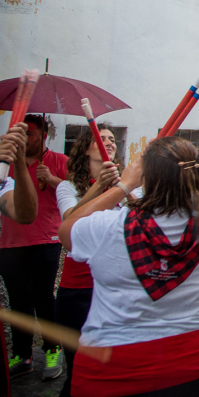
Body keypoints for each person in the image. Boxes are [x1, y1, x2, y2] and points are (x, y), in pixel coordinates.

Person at [59, 137, 199, 396]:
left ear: (146, 177)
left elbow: (66, 230)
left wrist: (124, 184)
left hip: (118, 367)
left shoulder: (109, 226)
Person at [53, 123, 122, 396]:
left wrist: (122, 188)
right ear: (85, 149)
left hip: (113, 285)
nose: (109, 142)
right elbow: (68, 224)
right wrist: (100, 188)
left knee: (111, 366)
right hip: (79, 288)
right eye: (101, 138)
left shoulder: (123, 186)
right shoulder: (67, 187)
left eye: (112, 139)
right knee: (79, 366)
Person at [0, 114, 67, 380]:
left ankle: (53, 349)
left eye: (29, 133)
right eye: (21, 133)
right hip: (10, 242)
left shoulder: (59, 161)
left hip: (45, 239)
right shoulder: (5, 163)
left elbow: (78, 192)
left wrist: (51, 179)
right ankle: (22, 355)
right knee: (18, 301)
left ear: (44, 135)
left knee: (43, 298)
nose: (24, 139)